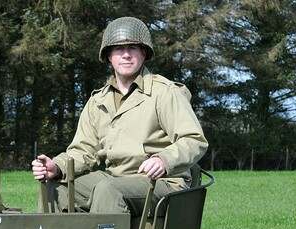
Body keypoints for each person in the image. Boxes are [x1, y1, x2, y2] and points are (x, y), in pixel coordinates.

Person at [32, 17, 208, 214]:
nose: (126, 54)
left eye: (133, 47)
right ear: (108, 56)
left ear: (144, 52)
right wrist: (56, 167)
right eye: (118, 49)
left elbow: (194, 140)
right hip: (115, 179)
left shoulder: (164, 92)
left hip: (162, 183)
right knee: (56, 189)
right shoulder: (98, 101)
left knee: (108, 191)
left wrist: (164, 160)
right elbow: (83, 151)